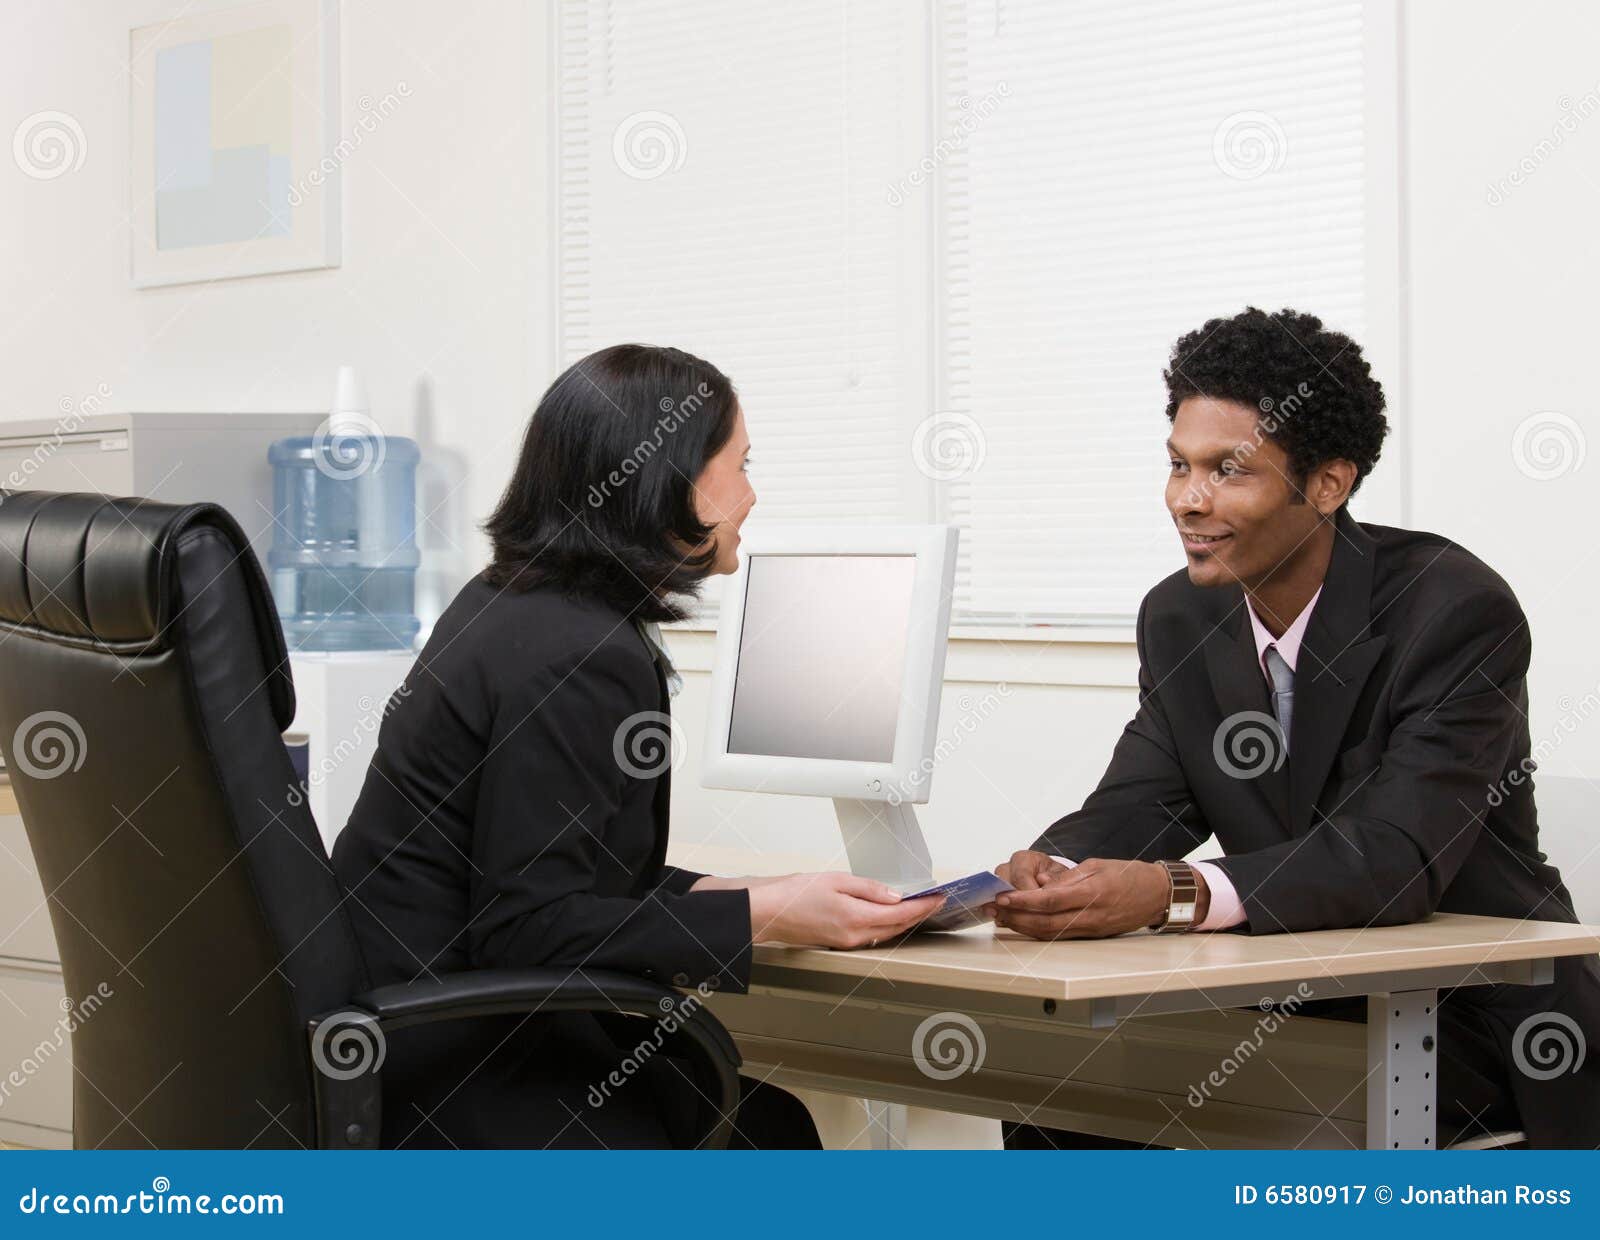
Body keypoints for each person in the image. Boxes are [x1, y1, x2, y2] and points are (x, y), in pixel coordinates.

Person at [991, 306, 1600, 1150]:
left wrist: (1175, 892)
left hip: (1462, 1015)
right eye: (1178, 465)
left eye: (1227, 471)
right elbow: (1146, 800)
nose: (1187, 500)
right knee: (1056, 1100)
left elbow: (1392, 856)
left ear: (1327, 484)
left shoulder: (1453, 609)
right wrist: (1051, 869)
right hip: (1281, 996)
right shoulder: (1180, 615)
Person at [332, 343, 943, 1148]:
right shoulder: (584, 655)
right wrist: (766, 917)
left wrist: (746, 890)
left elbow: (560, 869)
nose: (752, 496)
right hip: (459, 1074)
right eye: (741, 466)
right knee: (771, 1132)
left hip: (383, 1048)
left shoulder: (507, 605)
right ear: (673, 481)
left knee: (762, 1118)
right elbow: (527, 928)